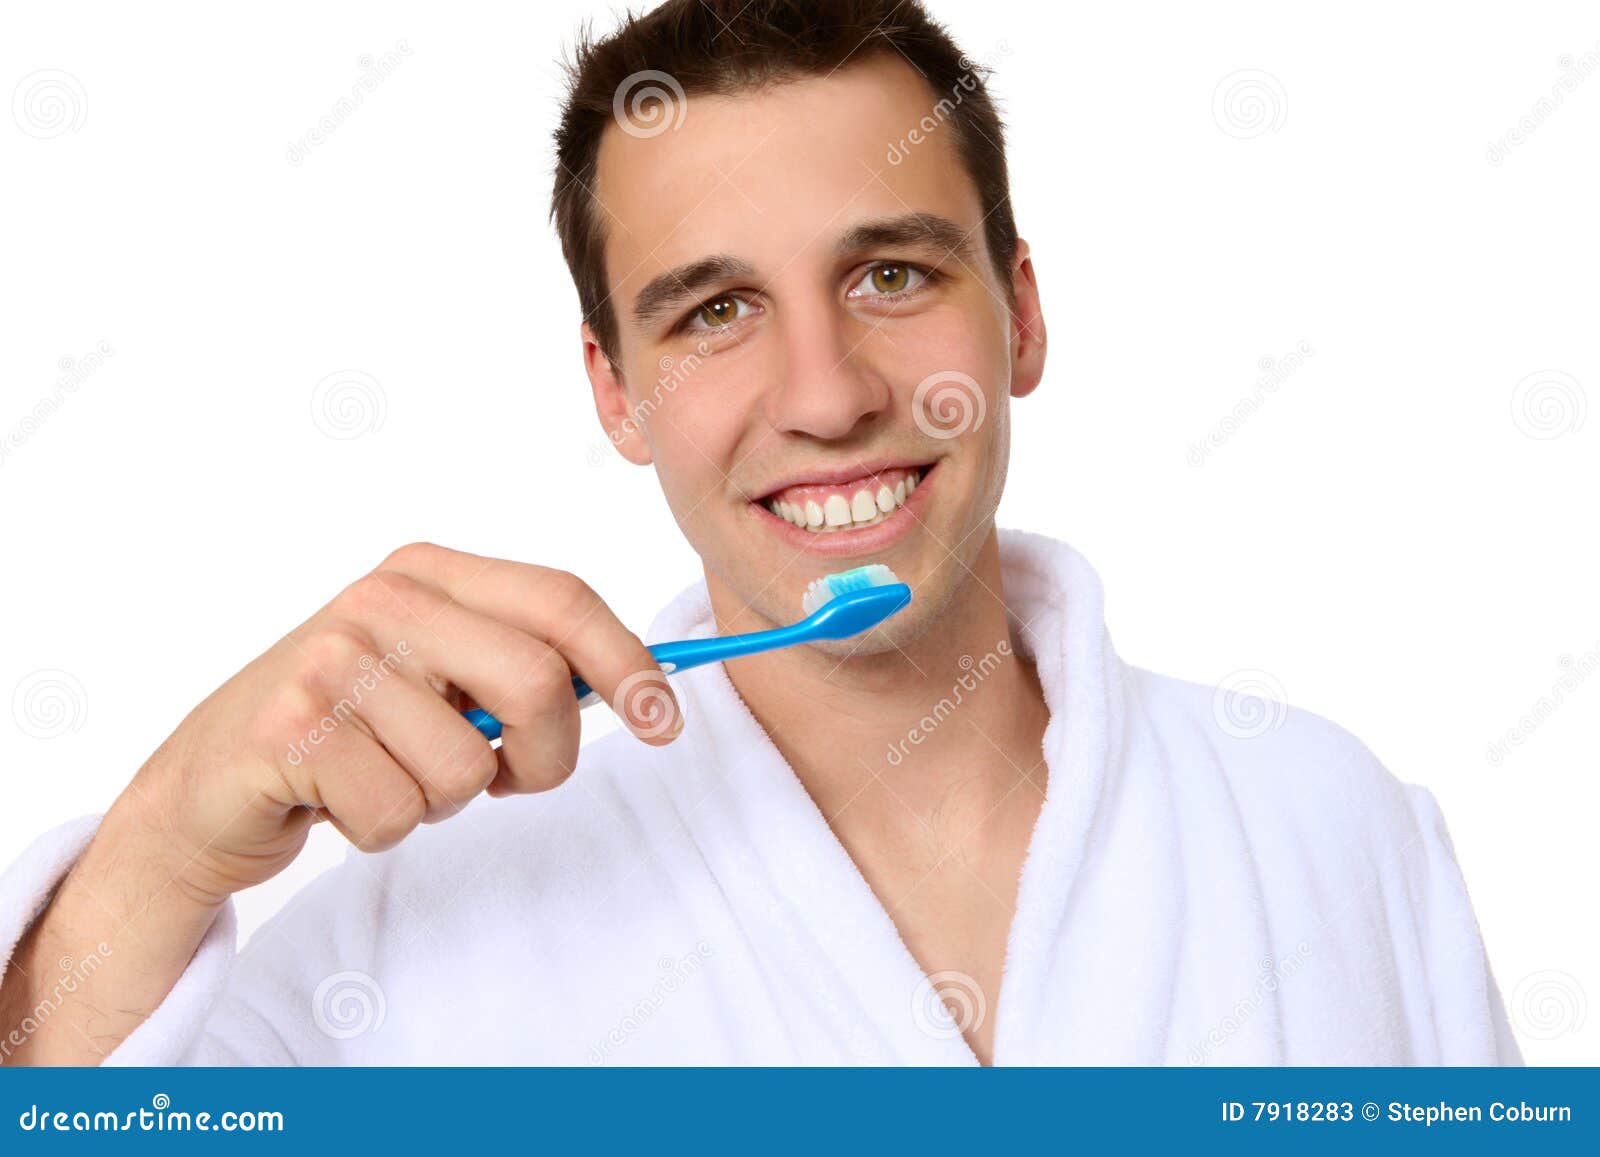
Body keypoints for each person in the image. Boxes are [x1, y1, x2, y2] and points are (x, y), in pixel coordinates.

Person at [0, 0, 1518, 1066]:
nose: (827, 395)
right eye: (716, 311)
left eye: (892, 276)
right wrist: (161, 847)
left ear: (1022, 312)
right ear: (615, 390)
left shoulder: (1336, 830)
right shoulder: (398, 942)